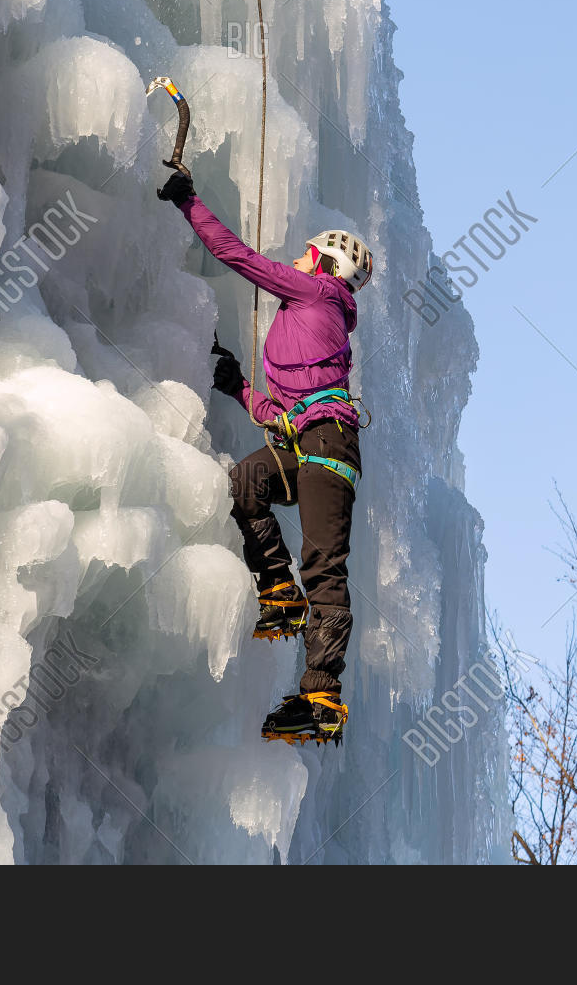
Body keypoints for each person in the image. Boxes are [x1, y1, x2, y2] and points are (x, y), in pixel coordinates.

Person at [157, 170, 372, 745]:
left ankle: (321, 696)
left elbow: (237, 256)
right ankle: (279, 592)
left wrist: (189, 203)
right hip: (306, 440)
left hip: (328, 446)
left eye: (308, 254)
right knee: (244, 483)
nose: (298, 261)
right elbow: (285, 410)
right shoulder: (307, 310)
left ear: (327, 266)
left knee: (324, 565)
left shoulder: (320, 293)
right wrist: (238, 390)